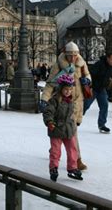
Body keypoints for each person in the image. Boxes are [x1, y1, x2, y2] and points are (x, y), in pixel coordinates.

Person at [41, 41, 91, 171]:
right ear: (66, 54)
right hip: (61, 103)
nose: (73, 58)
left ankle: (70, 156)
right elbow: (50, 84)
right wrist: (44, 99)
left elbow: (87, 75)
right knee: (70, 132)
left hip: (76, 102)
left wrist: (88, 80)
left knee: (72, 131)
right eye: (70, 55)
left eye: (75, 55)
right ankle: (77, 160)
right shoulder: (58, 65)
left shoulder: (81, 63)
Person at [43, 74, 83, 182]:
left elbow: (75, 112)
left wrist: (76, 121)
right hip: (56, 128)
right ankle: (53, 168)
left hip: (68, 129)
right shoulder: (54, 100)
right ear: (61, 89)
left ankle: (72, 168)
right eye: (66, 89)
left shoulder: (70, 100)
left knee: (72, 149)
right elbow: (48, 112)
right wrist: (49, 122)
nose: (68, 92)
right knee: (56, 151)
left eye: (70, 89)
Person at [83, 53, 112, 134]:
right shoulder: (99, 64)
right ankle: (75, 119)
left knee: (104, 105)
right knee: (86, 105)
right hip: (93, 88)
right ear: (107, 58)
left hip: (102, 89)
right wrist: (89, 84)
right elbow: (90, 73)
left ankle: (102, 125)